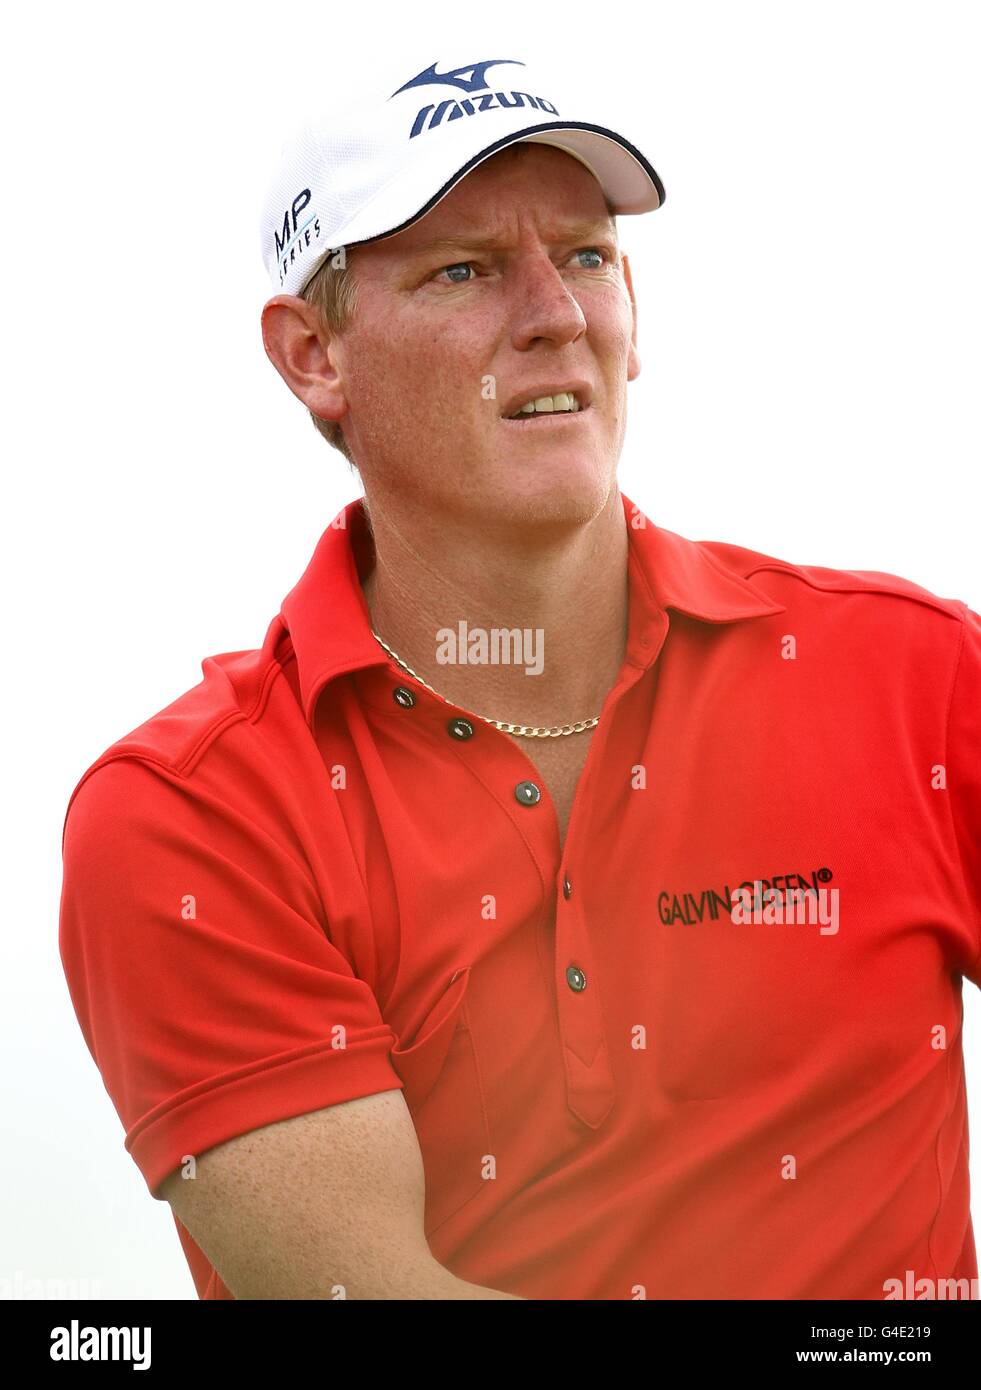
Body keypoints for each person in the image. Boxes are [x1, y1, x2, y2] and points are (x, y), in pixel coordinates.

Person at [59, 55, 981, 1301]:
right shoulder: (191, 816)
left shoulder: (917, 677)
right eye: (465, 269)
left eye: (588, 256)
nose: (556, 312)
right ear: (314, 356)